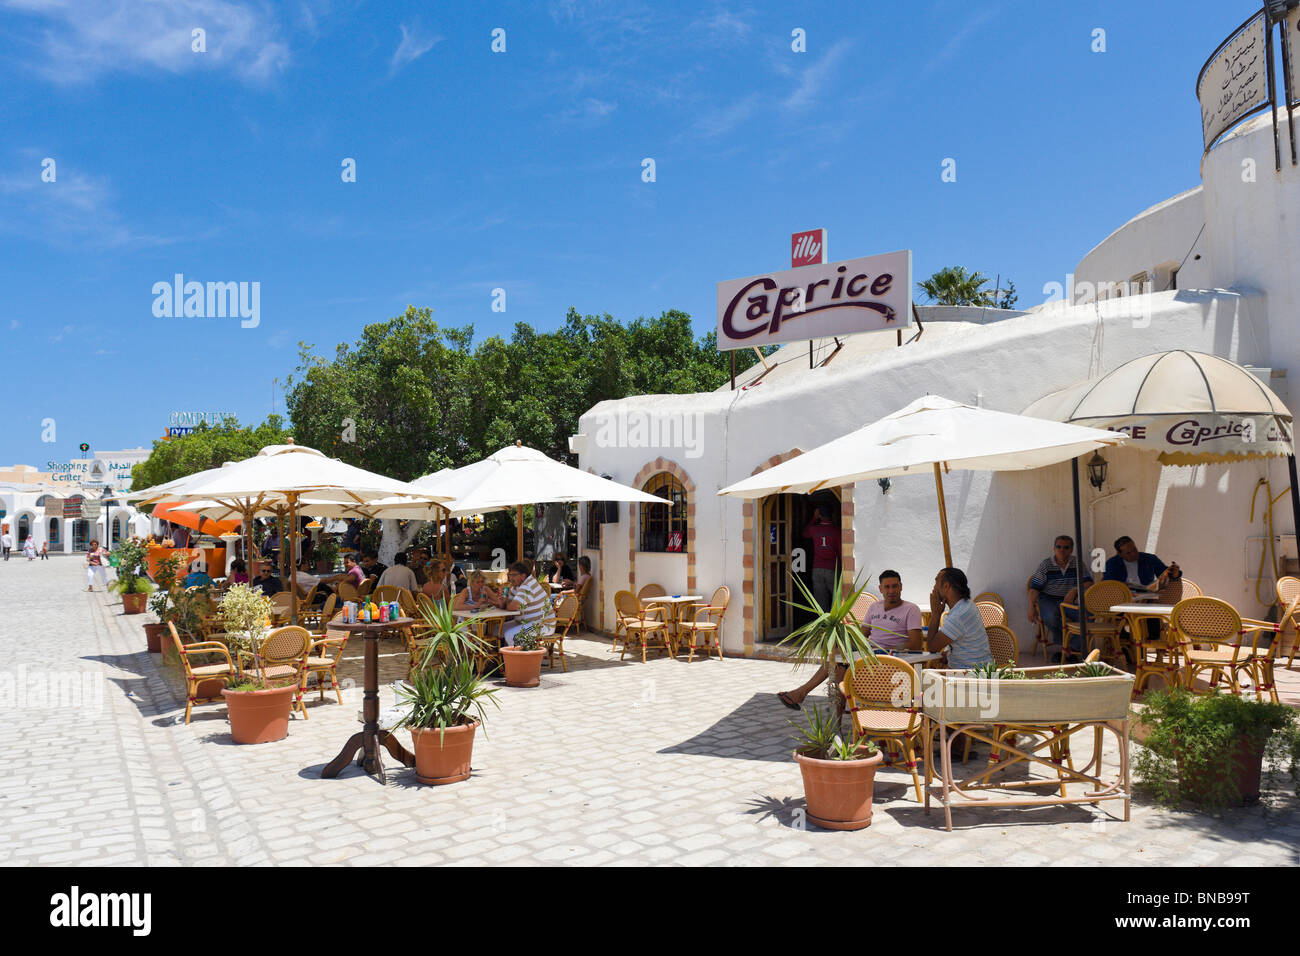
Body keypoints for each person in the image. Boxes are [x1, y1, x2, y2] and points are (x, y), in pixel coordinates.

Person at [777, 569, 925, 710]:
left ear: (901, 587)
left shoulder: (911, 609)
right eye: (887, 587)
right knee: (835, 661)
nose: (891, 591)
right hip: (869, 656)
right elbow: (861, 636)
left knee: (840, 668)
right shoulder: (874, 607)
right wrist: (840, 642)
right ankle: (834, 723)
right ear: (880, 589)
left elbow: (916, 644)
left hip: (892, 660)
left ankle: (802, 694)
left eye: (895, 586)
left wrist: (885, 647)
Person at [1028, 535, 1092, 661]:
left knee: (1088, 616)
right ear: (1054, 548)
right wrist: (1030, 607)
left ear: (1071, 549)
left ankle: (1071, 648)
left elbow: (1089, 583)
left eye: (1066, 547)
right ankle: (1066, 648)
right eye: (1059, 547)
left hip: (1068, 601)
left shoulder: (1077, 563)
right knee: (1051, 617)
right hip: (1048, 599)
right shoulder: (1046, 564)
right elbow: (1034, 588)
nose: (1062, 550)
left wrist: (1074, 590)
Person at [919, 567, 992, 668]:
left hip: (971, 676)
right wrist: (950, 654)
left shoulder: (959, 615)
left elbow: (931, 647)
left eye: (936, 582)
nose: (934, 587)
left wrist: (936, 613)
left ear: (946, 586)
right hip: (973, 670)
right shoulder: (966, 605)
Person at [492, 561, 554, 646]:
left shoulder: (528, 585)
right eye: (509, 575)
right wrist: (502, 599)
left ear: (523, 576)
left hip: (542, 624)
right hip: (525, 622)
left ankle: (519, 657)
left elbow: (512, 607)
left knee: (511, 635)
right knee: (497, 629)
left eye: (513, 575)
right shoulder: (516, 586)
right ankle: (501, 657)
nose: (510, 578)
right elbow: (506, 604)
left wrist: (505, 602)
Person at [1103, 536, 1181, 592]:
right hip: (1122, 597)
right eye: (1128, 553)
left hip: (1146, 597)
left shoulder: (1149, 559)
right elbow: (1109, 584)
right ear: (1119, 554)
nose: (1133, 554)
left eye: (1134, 549)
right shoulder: (1112, 563)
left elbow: (1165, 574)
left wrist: (1175, 573)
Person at [802, 505, 841, 610]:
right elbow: (842, 552)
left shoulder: (814, 529)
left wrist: (814, 518)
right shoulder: (836, 531)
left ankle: (822, 624)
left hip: (817, 568)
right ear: (832, 515)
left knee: (820, 601)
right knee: (837, 599)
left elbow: (805, 534)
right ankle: (836, 624)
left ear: (819, 515)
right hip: (832, 568)